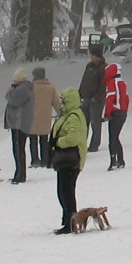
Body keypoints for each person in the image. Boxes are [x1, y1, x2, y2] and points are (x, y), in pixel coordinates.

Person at [49, 87, 89, 233]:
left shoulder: (73, 116)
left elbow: (73, 138)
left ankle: (70, 223)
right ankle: (68, 221)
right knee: (64, 190)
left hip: (71, 160)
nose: (61, 104)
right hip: (67, 160)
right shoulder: (70, 115)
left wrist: (58, 143)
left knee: (66, 191)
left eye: (63, 101)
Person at [3, 68, 35, 182]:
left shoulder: (23, 90)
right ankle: (19, 173)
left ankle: (20, 175)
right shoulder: (26, 89)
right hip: (20, 123)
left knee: (18, 149)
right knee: (19, 149)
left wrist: (10, 91)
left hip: (18, 123)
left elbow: (13, 101)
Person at [101, 51, 131, 168]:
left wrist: (106, 114)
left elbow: (110, 99)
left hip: (115, 112)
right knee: (116, 137)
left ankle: (113, 162)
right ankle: (121, 160)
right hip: (123, 112)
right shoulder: (122, 83)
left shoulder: (112, 83)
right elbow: (126, 99)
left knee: (112, 138)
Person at [30, 67, 58, 167]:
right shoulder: (50, 87)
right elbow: (56, 103)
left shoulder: (31, 87)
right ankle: (45, 160)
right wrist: (60, 111)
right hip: (45, 117)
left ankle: (35, 160)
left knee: (33, 140)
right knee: (44, 139)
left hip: (32, 117)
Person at [77, 43, 107, 116]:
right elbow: (84, 80)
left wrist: (96, 97)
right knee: (84, 120)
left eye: (92, 54)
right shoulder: (89, 65)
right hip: (86, 98)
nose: (90, 56)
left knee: (95, 122)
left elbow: (104, 85)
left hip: (96, 100)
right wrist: (80, 93)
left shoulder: (103, 67)